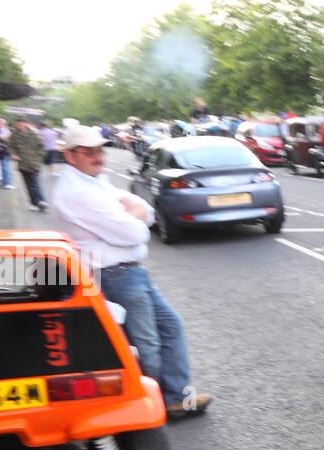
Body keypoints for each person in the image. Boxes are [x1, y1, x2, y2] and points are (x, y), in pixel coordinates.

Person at [51, 125, 211, 418]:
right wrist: (133, 217)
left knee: (170, 327)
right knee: (145, 343)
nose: (97, 158)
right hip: (114, 275)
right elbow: (132, 234)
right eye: (88, 152)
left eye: (99, 151)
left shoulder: (95, 181)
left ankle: (174, 396)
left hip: (129, 273)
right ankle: (153, 407)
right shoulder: (77, 192)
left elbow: (144, 209)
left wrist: (134, 215)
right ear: (70, 156)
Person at [10, 116, 47, 211]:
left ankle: (40, 201)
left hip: (34, 162)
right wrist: (13, 154)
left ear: (25, 123)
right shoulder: (14, 135)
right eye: (17, 122)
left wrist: (39, 157)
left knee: (35, 183)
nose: (18, 124)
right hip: (23, 163)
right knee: (28, 184)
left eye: (20, 122)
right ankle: (34, 203)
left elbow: (41, 147)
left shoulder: (33, 134)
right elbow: (10, 146)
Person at [0, 116, 15, 189]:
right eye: (1, 122)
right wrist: (5, 137)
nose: (3, 123)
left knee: (5, 167)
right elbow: (0, 138)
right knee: (5, 167)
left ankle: (6, 182)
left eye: (4, 122)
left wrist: (5, 136)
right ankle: (7, 183)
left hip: (6, 150)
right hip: (1, 150)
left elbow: (8, 138)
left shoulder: (5, 129)